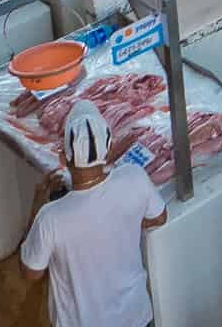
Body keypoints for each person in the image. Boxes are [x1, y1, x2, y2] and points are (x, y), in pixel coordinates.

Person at [19, 101, 167, 327]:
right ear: (108, 148)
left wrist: (37, 204)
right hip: (136, 318)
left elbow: (31, 271)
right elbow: (159, 218)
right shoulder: (134, 178)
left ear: (63, 158)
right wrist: (121, 219)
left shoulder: (50, 218)